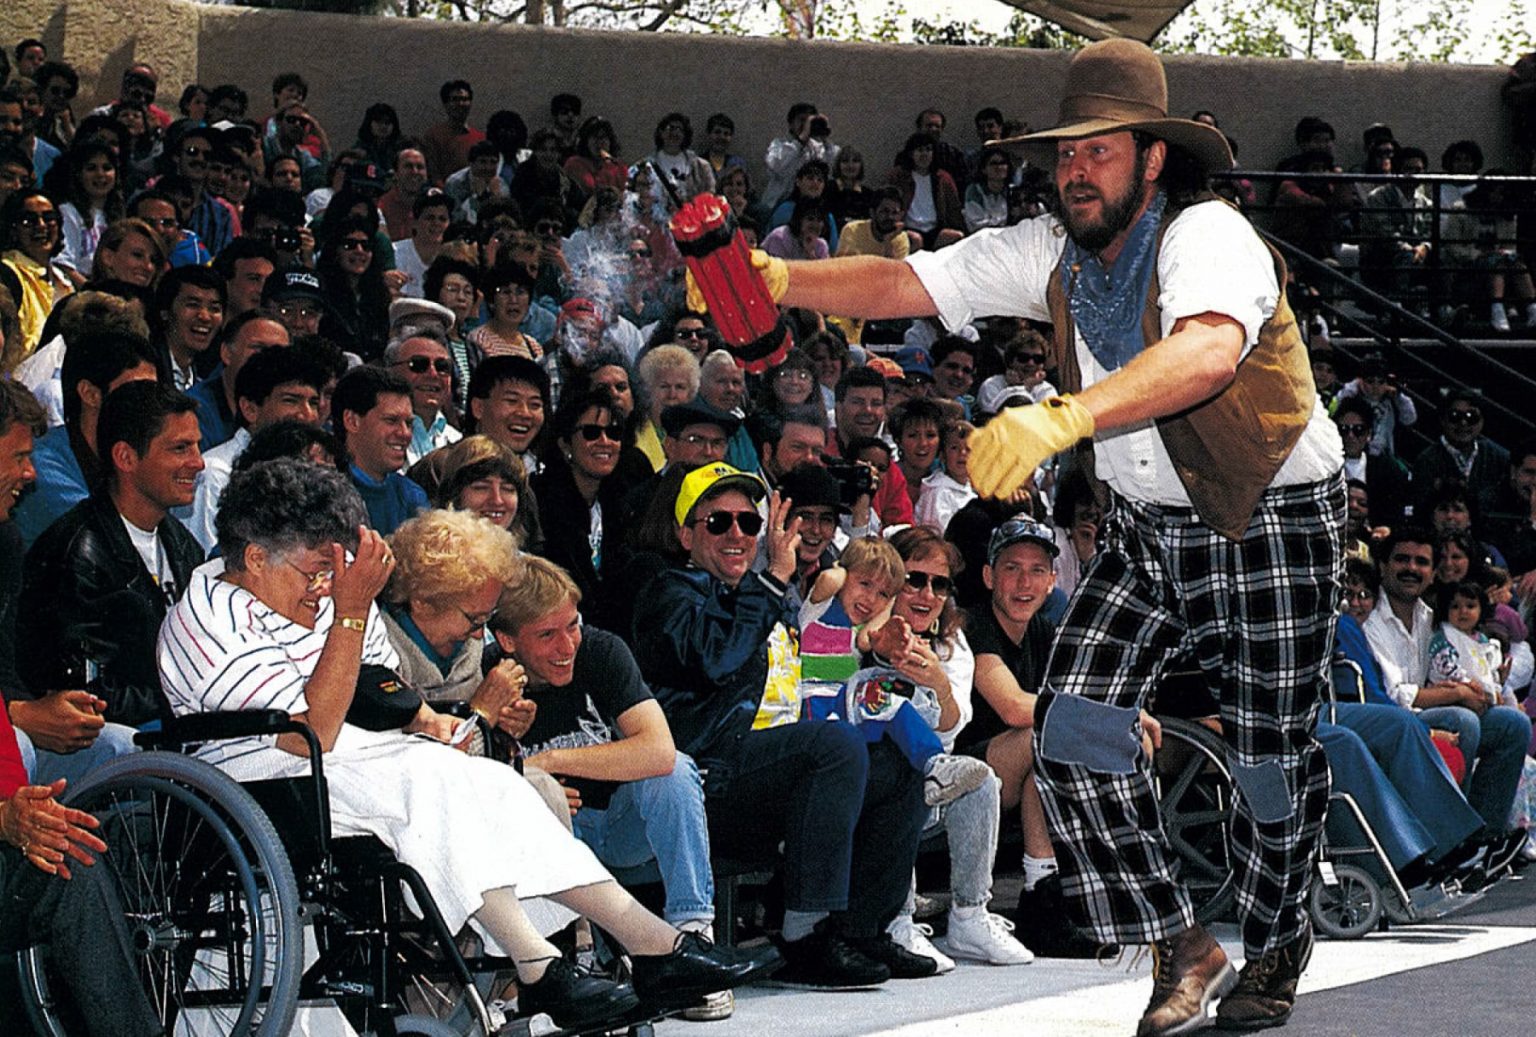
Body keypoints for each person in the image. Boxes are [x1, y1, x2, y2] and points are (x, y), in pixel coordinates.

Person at [749, 39, 1343, 1034]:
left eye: (1100, 150)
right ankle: (1182, 941)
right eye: (1066, 151)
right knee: (1069, 734)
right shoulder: (1049, 252)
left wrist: (1064, 417)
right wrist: (777, 278)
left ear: (1154, 157)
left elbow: (1205, 348)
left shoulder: (1210, 234)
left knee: (1271, 761)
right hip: (1149, 528)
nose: (1075, 169)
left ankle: (1279, 937)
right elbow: (908, 285)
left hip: (1272, 519)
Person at [156, 458, 780, 1031]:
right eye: (315, 573)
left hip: (347, 750)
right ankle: (539, 964)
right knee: (427, 780)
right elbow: (310, 731)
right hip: (262, 768)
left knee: (486, 776)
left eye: (331, 574)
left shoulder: (325, 590)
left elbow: (378, 687)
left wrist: (426, 719)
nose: (323, 588)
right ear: (257, 557)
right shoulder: (207, 616)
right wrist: (349, 611)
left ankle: (647, 943)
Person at [633, 463, 929, 986]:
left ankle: (861, 929)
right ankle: (804, 934)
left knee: (894, 764)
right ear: (685, 534)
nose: (737, 535)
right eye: (718, 522)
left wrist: (870, 652)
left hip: (766, 767)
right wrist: (771, 580)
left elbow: (806, 678)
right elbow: (717, 660)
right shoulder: (669, 590)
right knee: (833, 747)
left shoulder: (764, 596)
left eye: (749, 524)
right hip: (705, 777)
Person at [880, 527, 1033, 969]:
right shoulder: (866, 628)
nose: (927, 594)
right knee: (898, 772)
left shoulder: (952, 643)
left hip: (931, 778)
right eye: (915, 579)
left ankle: (969, 916)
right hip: (871, 783)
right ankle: (899, 919)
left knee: (979, 778)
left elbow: (951, 728)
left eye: (939, 584)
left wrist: (937, 684)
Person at [19, 382, 204, 727]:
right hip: (126, 742)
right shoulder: (76, 553)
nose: (198, 463)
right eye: (180, 448)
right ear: (126, 457)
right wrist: (186, 701)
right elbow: (86, 692)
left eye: (197, 446)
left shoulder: (183, 546)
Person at [11, 328, 158, 548]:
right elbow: (115, 538)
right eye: (136, 392)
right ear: (90, 394)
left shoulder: (135, 455)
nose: (149, 406)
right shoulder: (40, 466)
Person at [187, 346, 326, 551]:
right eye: (291, 400)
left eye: (313, 403)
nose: (306, 415)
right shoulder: (214, 476)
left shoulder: (315, 472)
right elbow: (206, 570)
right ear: (250, 409)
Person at [333, 365, 428, 535]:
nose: (405, 433)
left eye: (409, 423)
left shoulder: (411, 497)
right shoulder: (320, 494)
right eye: (391, 420)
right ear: (352, 421)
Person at [914, 420, 976, 534]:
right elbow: (937, 534)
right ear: (942, 455)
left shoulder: (972, 489)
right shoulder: (938, 492)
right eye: (954, 448)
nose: (962, 452)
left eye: (969, 449)